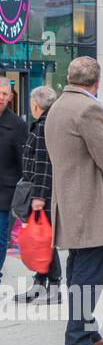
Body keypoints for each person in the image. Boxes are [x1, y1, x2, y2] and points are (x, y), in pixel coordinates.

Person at [44, 57, 103, 345]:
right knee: (89, 275)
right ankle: (78, 340)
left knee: (80, 271)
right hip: (91, 203)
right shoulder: (89, 109)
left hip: (68, 202)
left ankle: (88, 332)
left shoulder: (57, 107)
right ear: (97, 82)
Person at [16, 85, 59, 304]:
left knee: (46, 240)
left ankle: (53, 286)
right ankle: (41, 283)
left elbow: (44, 163)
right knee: (45, 239)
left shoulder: (43, 126)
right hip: (46, 191)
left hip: (45, 193)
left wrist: (39, 196)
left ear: (36, 105)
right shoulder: (47, 123)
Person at [0, 82, 27, 276]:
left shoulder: (17, 125)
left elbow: (23, 161)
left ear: (10, 97)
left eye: (4, 93)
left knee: (0, 237)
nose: (1, 97)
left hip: (4, 192)